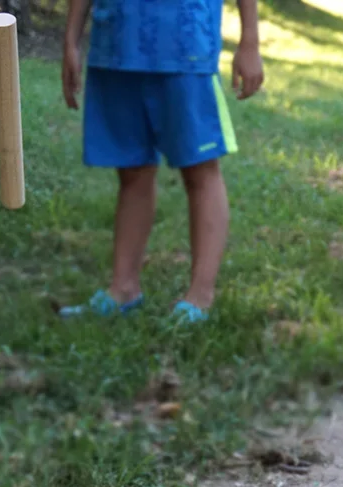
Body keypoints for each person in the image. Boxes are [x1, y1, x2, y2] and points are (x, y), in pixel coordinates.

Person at [59, 0, 264, 323]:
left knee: (200, 170)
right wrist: (71, 41)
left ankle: (199, 297)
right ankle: (123, 288)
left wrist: (249, 41)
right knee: (132, 171)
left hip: (184, 46)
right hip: (116, 45)